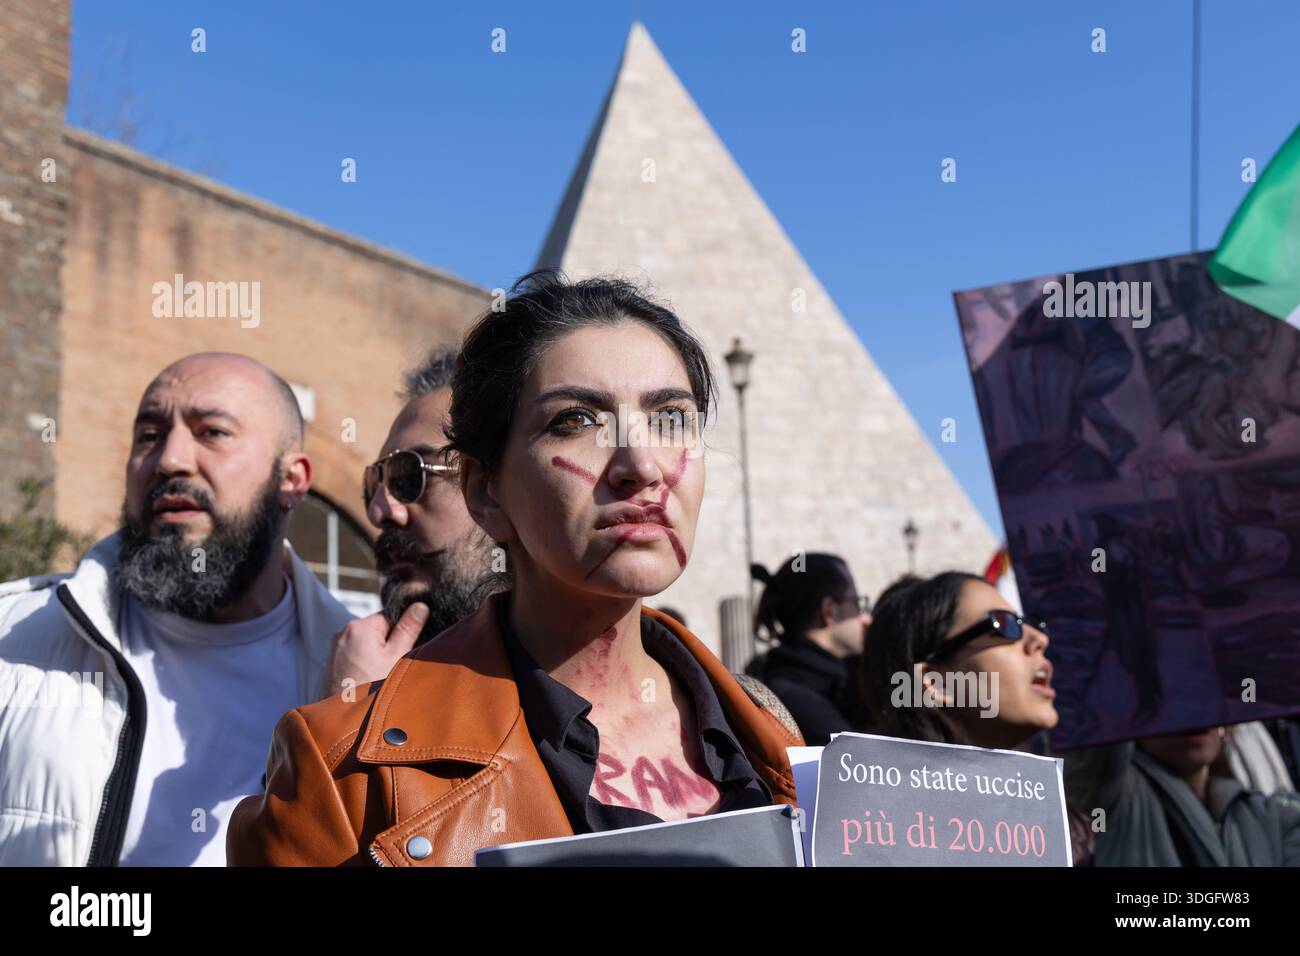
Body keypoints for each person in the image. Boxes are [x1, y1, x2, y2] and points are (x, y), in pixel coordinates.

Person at [227, 271, 803, 866]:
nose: (641, 465)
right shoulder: (338, 768)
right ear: (486, 492)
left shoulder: (772, 734)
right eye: (576, 420)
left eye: (670, 419)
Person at [0, 353, 354, 866]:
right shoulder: (13, 638)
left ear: (292, 479)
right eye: (148, 435)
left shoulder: (359, 685)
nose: (169, 460)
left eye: (211, 432)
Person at [327, 347, 499, 696]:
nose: (379, 511)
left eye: (410, 475)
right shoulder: (356, 665)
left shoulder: (588, 685)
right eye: (374, 483)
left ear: (493, 485)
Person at [859, 571, 1058, 750]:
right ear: (938, 683)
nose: (1040, 639)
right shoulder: (870, 790)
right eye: (1004, 624)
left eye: (1030, 623)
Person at [1065, 727, 1300, 866]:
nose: (1195, 708)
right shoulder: (1113, 791)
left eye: (1210, 688)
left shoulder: (1271, 816)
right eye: (1172, 691)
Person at [750, 554, 871, 745]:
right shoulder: (792, 698)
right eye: (856, 603)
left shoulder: (832, 682)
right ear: (830, 610)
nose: (866, 619)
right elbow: (865, 765)